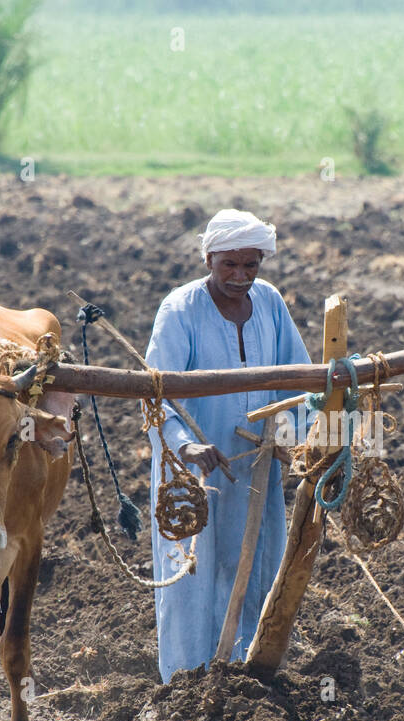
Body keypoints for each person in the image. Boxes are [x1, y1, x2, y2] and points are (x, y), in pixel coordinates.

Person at [143, 209, 312, 683]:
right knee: (191, 575)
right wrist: (184, 447)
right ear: (209, 259)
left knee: (255, 561)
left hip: (255, 469)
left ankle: (246, 674)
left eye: (250, 265)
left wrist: (287, 434)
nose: (240, 276)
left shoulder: (272, 305)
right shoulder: (179, 311)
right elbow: (156, 398)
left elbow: (297, 379)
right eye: (229, 266)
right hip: (193, 477)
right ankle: (185, 680)